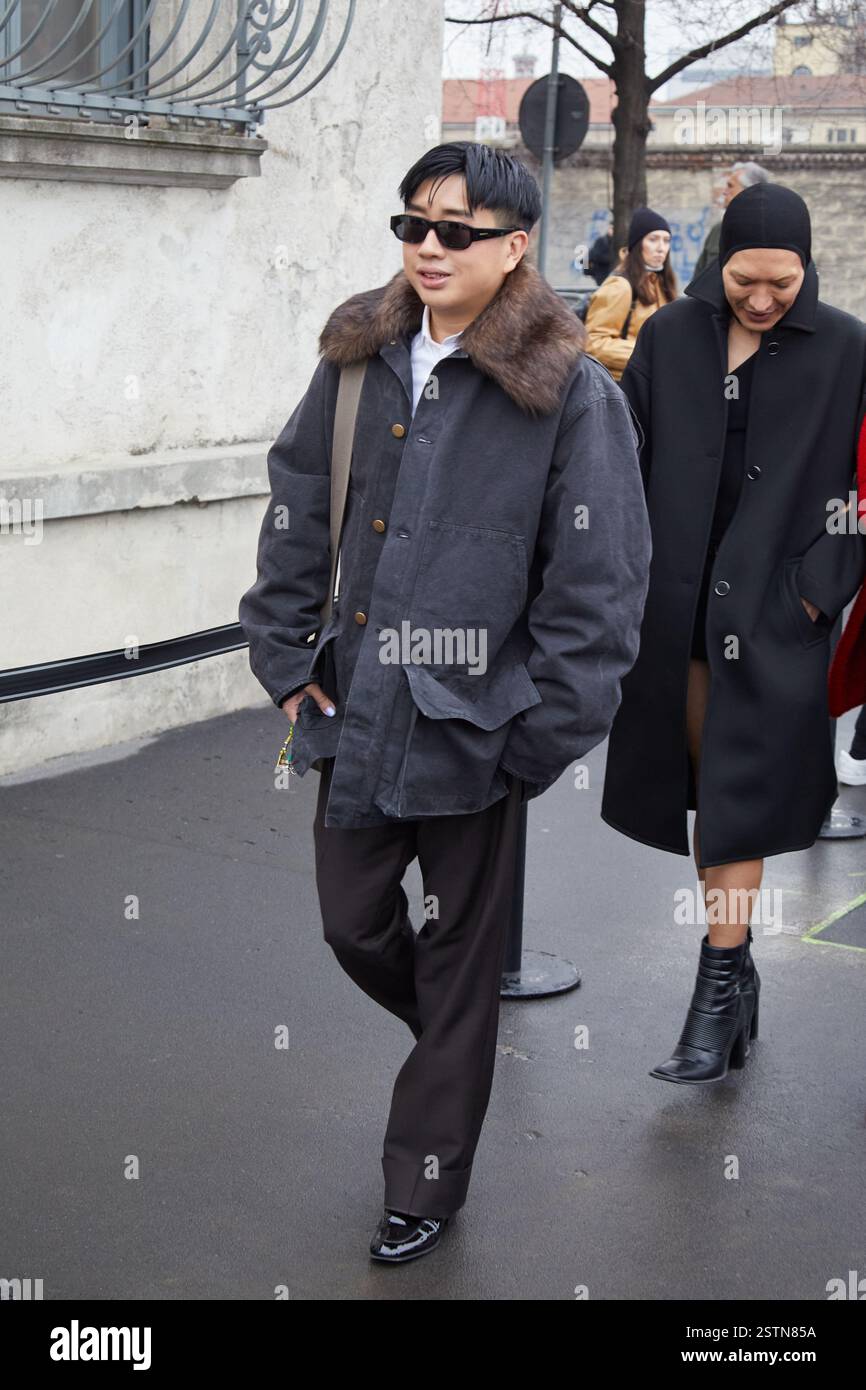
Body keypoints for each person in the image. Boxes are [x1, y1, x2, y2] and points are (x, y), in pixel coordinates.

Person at [238, 141, 651, 1262]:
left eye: (454, 229)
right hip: (353, 708)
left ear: (514, 247)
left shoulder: (567, 388)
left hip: (483, 727)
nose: (426, 245)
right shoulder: (358, 357)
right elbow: (294, 506)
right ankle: (454, 1043)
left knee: (463, 949)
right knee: (350, 919)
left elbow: (601, 584)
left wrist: (537, 736)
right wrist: (284, 661)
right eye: (412, 225)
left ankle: (421, 1180)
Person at [600, 182, 866, 1085]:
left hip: (774, 613)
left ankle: (714, 994)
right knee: (711, 787)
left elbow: (863, 491)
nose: (760, 299)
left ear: (807, 269)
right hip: (673, 607)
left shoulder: (846, 348)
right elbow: (621, 453)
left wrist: (816, 593)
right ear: (719, 267)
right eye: (745, 280)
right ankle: (739, 974)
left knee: (732, 791)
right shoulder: (672, 336)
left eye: (781, 283)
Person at [584, 207, 677, 381]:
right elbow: (594, 343)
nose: (661, 248)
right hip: (623, 386)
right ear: (637, 244)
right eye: (653, 239)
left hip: (653, 383)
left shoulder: (661, 284)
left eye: (666, 240)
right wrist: (649, 355)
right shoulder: (620, 286)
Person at [693, 161, 770, 278]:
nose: (724, 192)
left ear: (749, 191)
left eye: (730, 186)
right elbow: (698, 279)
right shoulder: (718, 230)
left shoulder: (771, 231)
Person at [587, 218, 613, 284]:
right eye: (612, 228)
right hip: (602, 277)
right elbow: (593, 256)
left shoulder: (617, 242)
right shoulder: (601, 242)